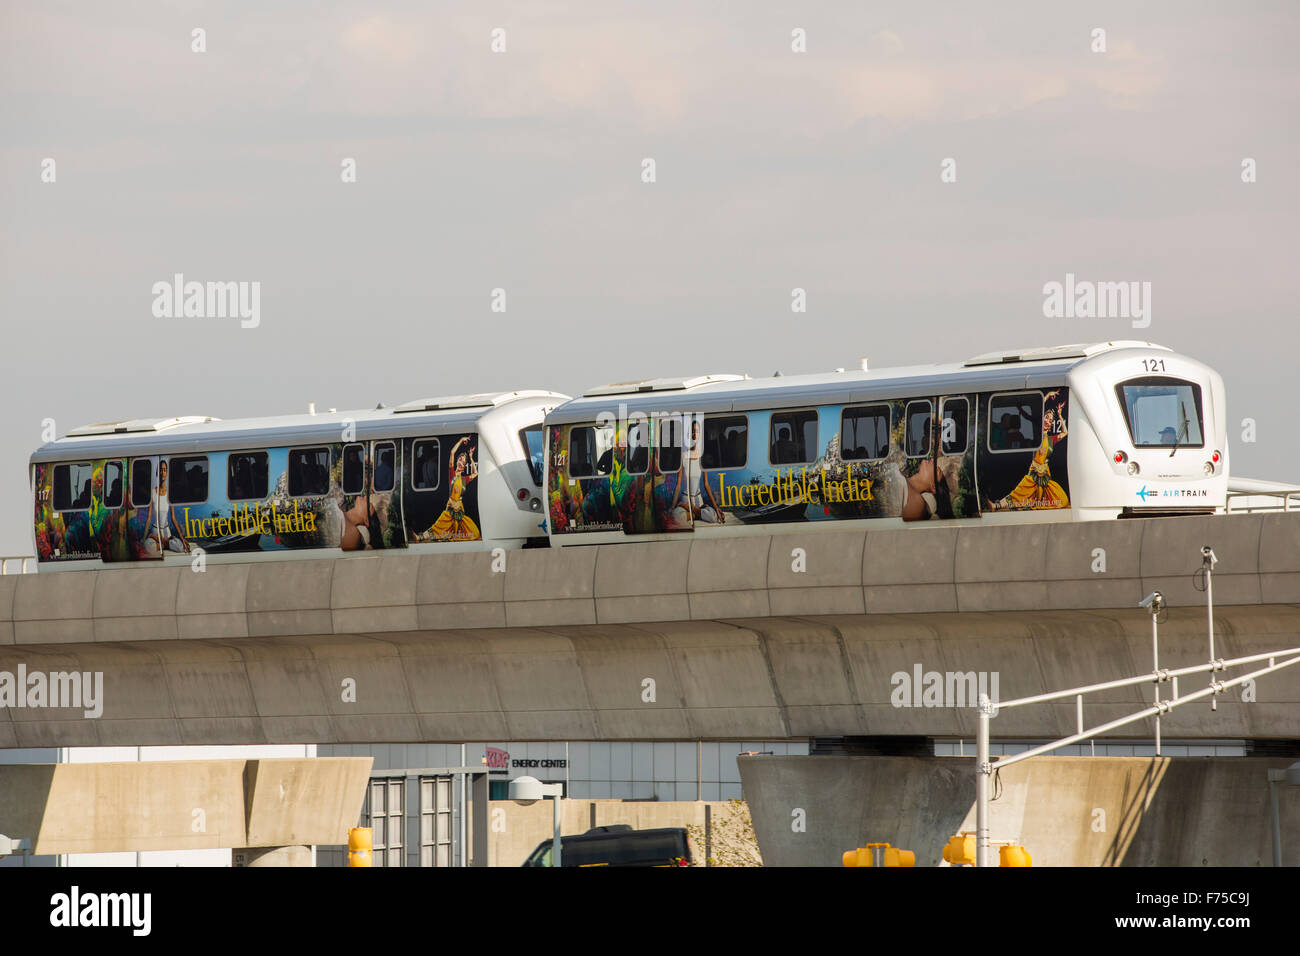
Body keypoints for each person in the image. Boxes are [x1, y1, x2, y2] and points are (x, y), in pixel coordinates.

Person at [426, 437, 480, 540]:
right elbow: (452, 452)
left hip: (460, 511)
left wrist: (471, 457)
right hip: (450, 510)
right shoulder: (452, 474)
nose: (461, 462)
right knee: (439, 527)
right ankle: (420, 537)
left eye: (463, 462)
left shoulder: (464, 479)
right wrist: (461, 440)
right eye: (460, 460)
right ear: (456, 462)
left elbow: (475, 473)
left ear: (464, 466)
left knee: (474, 532)